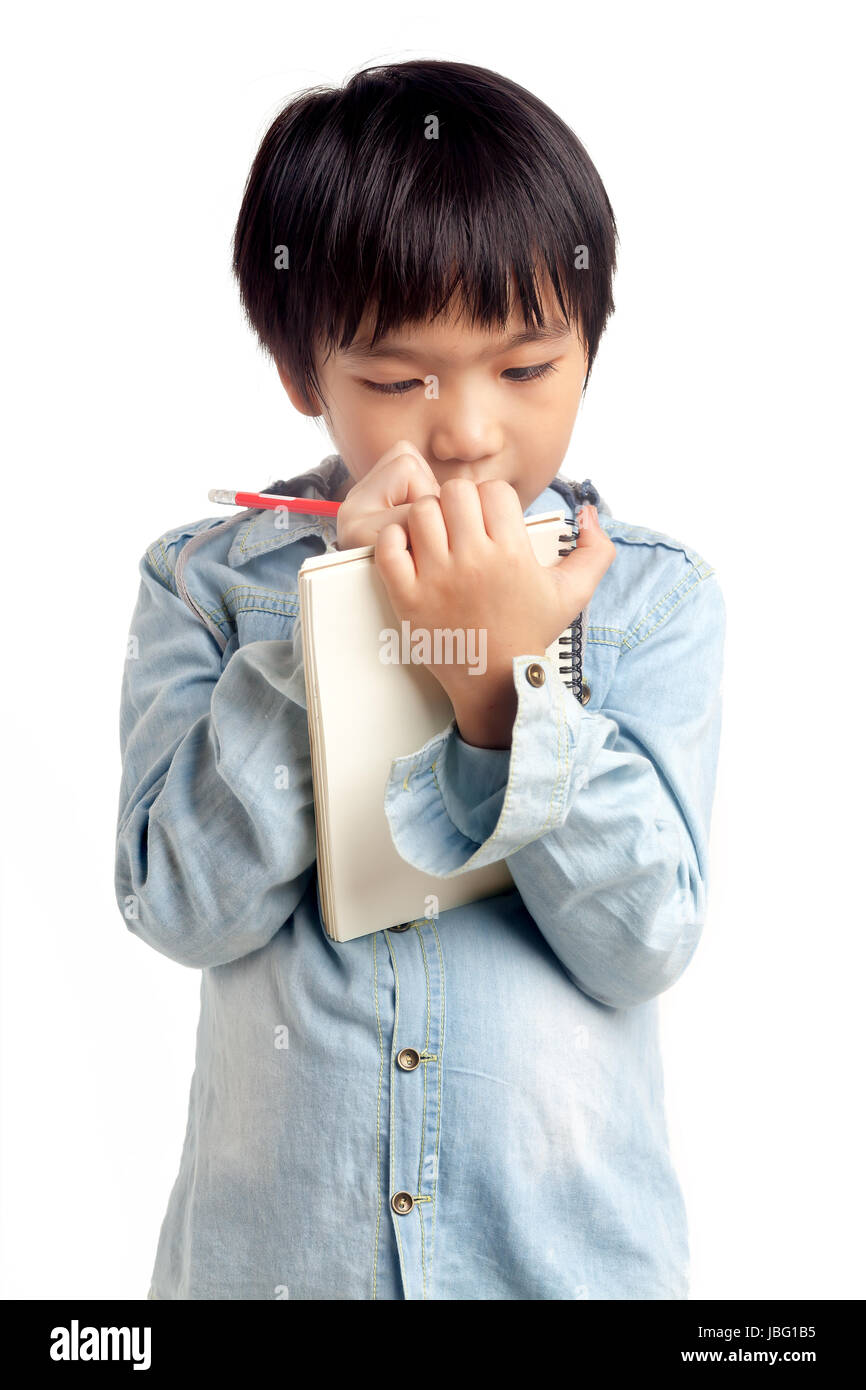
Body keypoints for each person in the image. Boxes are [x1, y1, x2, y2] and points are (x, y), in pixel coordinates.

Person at [116, 58, 726, 1300]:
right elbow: (175, 904)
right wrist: (333, 634)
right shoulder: (207, 586)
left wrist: (504, 683)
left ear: (588, 351)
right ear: (303, 374)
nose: (463, 430)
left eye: (524, 367)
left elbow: (644, 941)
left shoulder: (648, 597)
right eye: (399, 381)